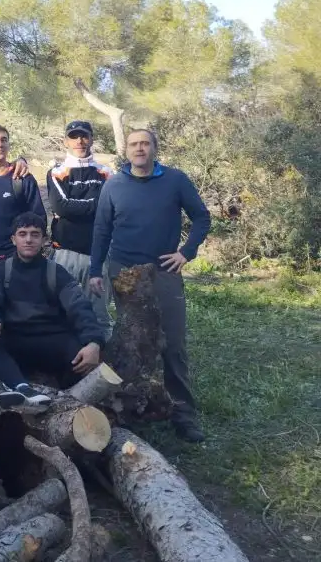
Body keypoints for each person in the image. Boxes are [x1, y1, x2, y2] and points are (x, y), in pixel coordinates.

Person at [89, 129, 211, 443]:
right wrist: (95, 270)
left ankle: (183, 414)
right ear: (126, 151)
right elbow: (102, 230)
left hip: (164, 270)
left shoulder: (175, 180)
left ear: (155, 148)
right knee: (131, 340)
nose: (139, 148)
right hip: (124, 271)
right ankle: (129, 408)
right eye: (134, 144)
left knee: (173, 343)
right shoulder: (113, 185)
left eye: (145, 143)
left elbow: (201, 218)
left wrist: (186, 252)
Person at [0, 212, 105, 409]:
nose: (28, 239)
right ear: (13, 239)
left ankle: (69, 404)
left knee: (83, 355)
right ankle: (21, 388)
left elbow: (80, 307)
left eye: (35, 234)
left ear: (44, 240)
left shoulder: (56, 272)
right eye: (22, 234)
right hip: (15, 338)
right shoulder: (0, 271)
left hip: (52, 340)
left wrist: (94, 342)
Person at [46, 121, 114, 338]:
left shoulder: (107, 173)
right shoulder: (57, 172)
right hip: (65, 254)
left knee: (99, 317)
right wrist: (95, 205)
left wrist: (75, 207)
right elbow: (60, 206)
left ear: (92, 139)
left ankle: (103, 367)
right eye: (74, 136)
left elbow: (108, 208)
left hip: (99, 256)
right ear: (66, 141)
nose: (79, 141)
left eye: (84, 136)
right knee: (60, 312)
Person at [0, 125, 46, 269]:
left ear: (8, 144)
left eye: (3, 140)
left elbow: (39, 217)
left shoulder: (22, 178)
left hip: (15, 254)